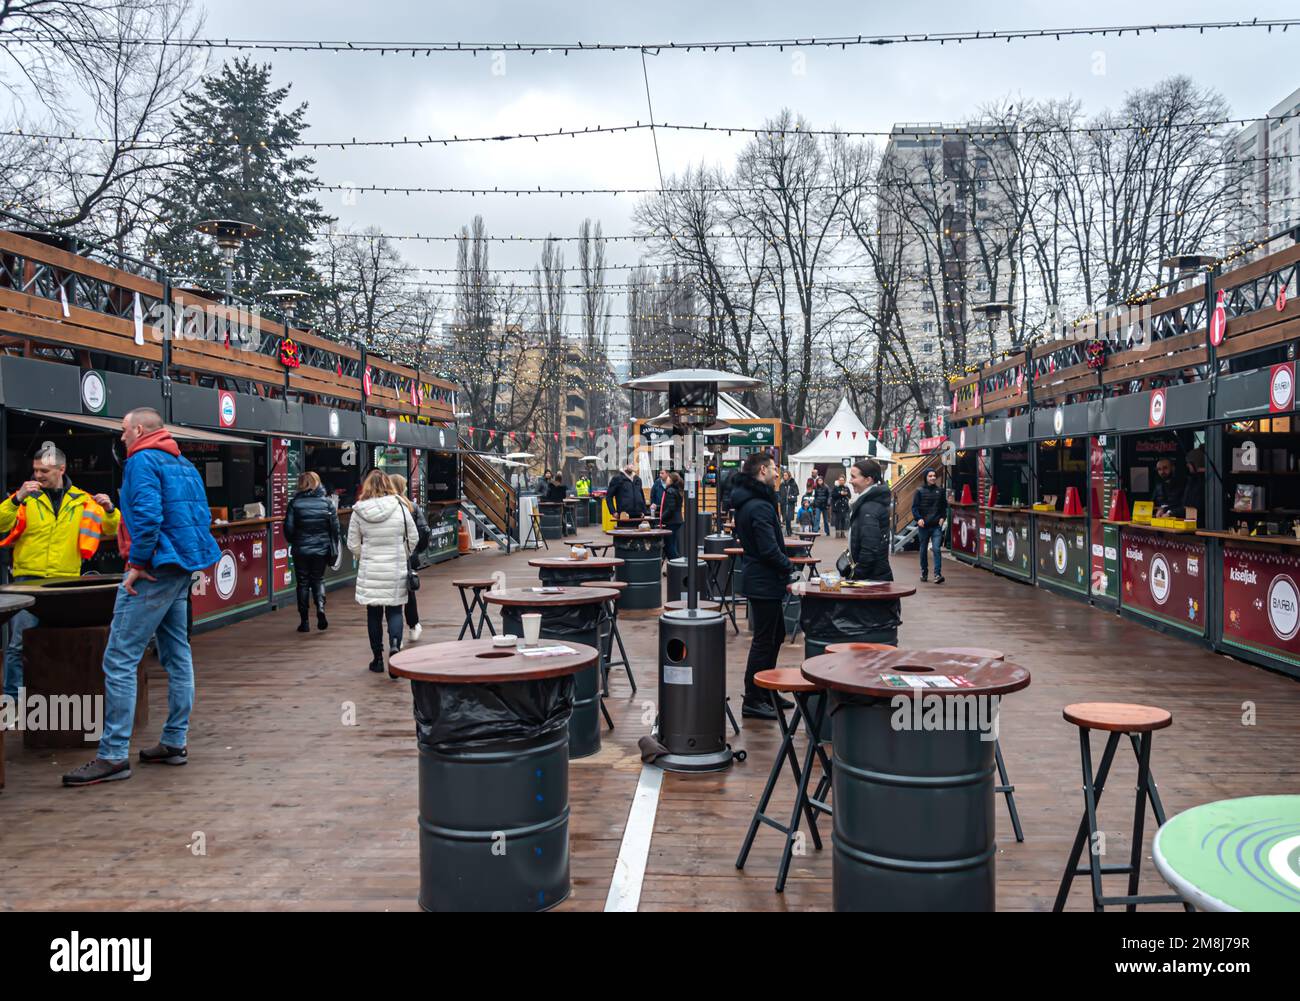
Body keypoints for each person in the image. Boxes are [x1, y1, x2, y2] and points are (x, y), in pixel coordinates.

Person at [62, 408, 219, 787]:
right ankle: (174, 741)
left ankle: (113, 755)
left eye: (122, 430)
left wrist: (137, 562)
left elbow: (147, 517)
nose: (120, 438)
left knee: (119, 658)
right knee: (177, 654)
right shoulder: (183, 464)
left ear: (137, 430)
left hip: (154, 570)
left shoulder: (141, 461)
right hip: (181, 568)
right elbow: (198, 517)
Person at [0, 442, 119, 701]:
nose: (38, 476)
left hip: (66, 582)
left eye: (44, 470)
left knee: (63, 642)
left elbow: (113, 529)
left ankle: (58, 697)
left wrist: (110, 510)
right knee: (17, 645)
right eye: (35, 470)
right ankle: (12, 702)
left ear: (61, 469)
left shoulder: (82, 500)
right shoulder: (23, 498)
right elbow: (1, 524)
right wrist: (15, 499)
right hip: (28, 580)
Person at [731, 451, 798, 721]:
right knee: (764, 640)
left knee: (776, 634)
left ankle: (765, 689)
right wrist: (790, 567)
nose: (777, 473)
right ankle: (754, 697)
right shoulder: (758, 505)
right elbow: (768, 549)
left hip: (764, 579)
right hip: (763, 580)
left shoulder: (755, 502)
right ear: (762, 471)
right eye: (774, 469)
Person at [348, 469, 417, 676]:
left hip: (371, 569)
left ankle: (377, 658)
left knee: (374, 613)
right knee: (395, 609)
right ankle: (394, 649)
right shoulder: (400, 507)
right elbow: (413, 537)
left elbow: (352, 544)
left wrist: (365, 555)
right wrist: (401, 554)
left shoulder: (359, 511)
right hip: (395, 567)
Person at [845, 458, 902, 643]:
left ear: (868, 480)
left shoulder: (868, 507)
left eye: (853, 477)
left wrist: (856, 576)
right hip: (876, 577)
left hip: (872, 580)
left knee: (870, 639)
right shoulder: (868, 504)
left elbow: (869, 548)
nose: (850, 480)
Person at [283, 470, 341, 632]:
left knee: (302, 583)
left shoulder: (294, 503)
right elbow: (334, 528)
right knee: (318, 579)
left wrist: (295, 540)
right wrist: (332, 545)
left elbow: (288, 528)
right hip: (321, 548)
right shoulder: (327, 503)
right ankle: (320, 607)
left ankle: (304, 621)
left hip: (301, 548)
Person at [389, 474, 430, 642]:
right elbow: (424, 530)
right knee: (408, 591)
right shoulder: (411, 506)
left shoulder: (385, 506)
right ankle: (413, 625)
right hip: (407, 555)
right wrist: (416, 550)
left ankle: (395, 633)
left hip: (388, 556)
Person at [911, 468, 948, 584]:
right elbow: (914, 507)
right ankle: (924, 572)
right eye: (930, 476)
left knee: (936, 548)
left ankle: (937, 574)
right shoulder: (919, 491)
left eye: (934, 475)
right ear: (926, 477)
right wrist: (918, 518)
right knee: (923, 550)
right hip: (924, 526)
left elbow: (944, 507)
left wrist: (943, 518)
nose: (933, 477)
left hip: (936, 525)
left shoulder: (940, 491)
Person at [1172, 447, 1206, 527]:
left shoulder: (1201, 482)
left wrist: (1172, 512)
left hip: (1200, 526)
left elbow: (1192, 505)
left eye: (1189, 462)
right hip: (1191, 523)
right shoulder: (1192, 479)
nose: (1187, 465)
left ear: (1196, 463)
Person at [660, 471, 684, 559]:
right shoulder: (677, 490)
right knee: (672, 545)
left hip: (671, 521)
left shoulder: (670, 491)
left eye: (668, 478)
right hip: (677, 520)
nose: (666, 479)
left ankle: (677, 566)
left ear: (671, 480)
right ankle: (674, 567)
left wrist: (661, 518)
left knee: (669, 547)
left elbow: (671, 508)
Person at [779, 470, 799, 535]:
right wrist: (780, 500)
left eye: (786, 475)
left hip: (790, 503)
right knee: (785, 518)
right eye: (784, 475)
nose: (784, 476)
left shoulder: (793, 483)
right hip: (784, 503)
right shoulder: (782, 484)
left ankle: (789, 532)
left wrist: (791, 496)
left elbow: (796, 492)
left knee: (788, 518)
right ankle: (789, 531)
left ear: (789, 476)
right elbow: (780, 493)